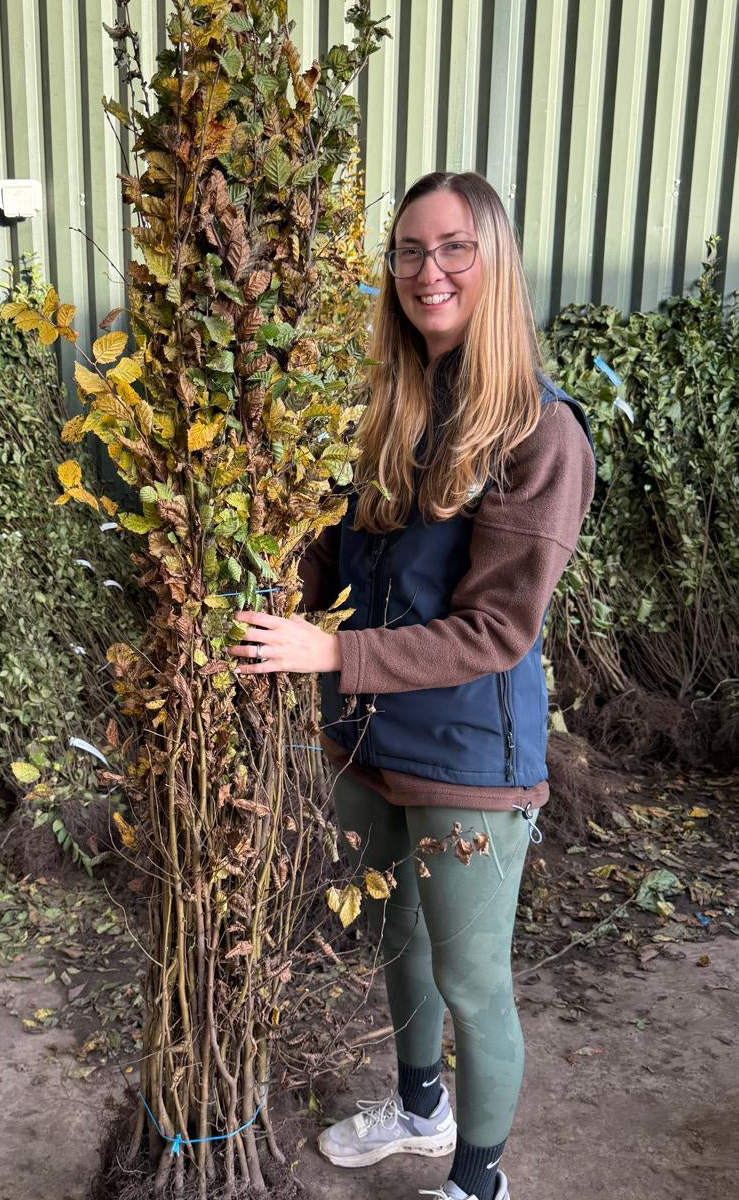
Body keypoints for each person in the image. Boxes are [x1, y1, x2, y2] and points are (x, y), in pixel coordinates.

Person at [226, 171, 596, 1200]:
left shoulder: (539, 433)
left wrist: (330, 654)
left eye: (452, 249)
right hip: (369, 734)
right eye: (407, 252)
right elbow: (341, 563)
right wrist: (266, 571)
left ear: (495, 264)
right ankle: (420, 1110)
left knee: (472, 978)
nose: (426, 272)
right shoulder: (390, 408)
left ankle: (479, 1180)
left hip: (471, 752)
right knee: (393, 933)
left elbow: (494, 628)